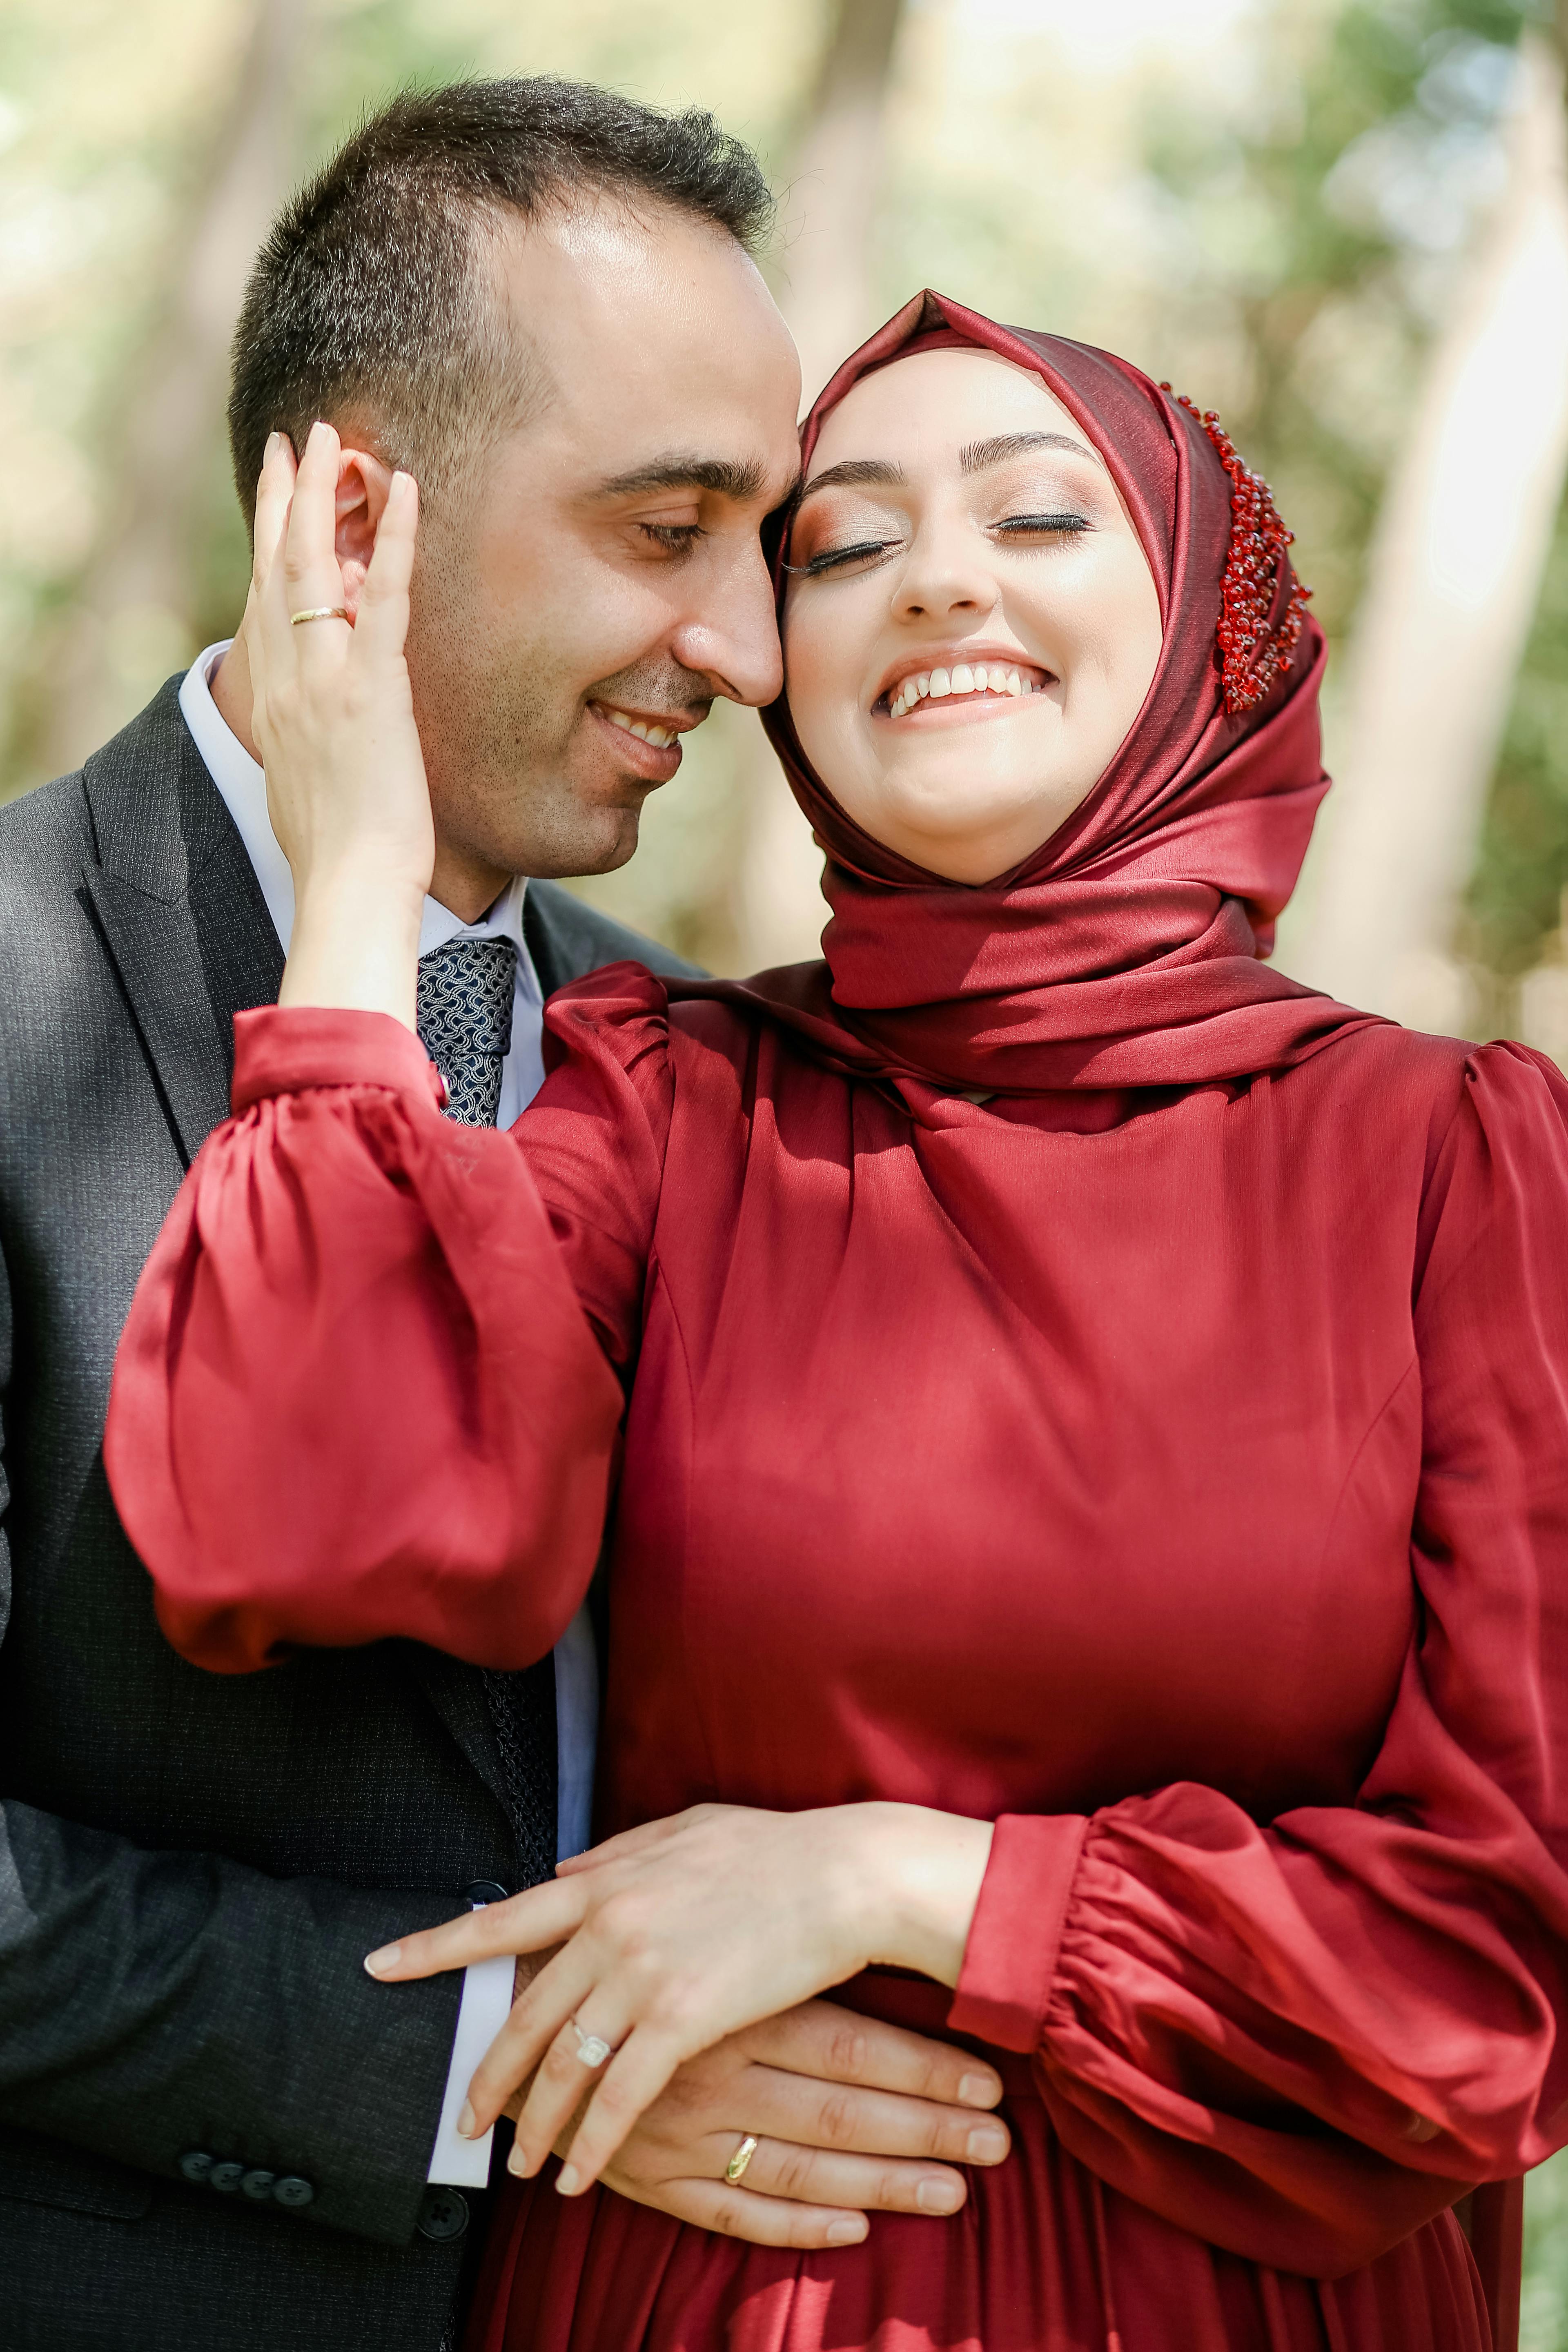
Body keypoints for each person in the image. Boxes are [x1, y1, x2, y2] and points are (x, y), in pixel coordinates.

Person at [106, 285, 1568, 2352]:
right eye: (848, 542)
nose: (936, 579)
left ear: (1201, 624)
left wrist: (900, 1883)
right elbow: (309, 1519)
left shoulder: (1467, 1167)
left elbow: (1506, 1971)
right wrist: (354, 896)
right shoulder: (668, 1099)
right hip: (691, 2292)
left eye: (1034, 516)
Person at [0, 91, 1016, 2352]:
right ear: (355, 520)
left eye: (769, 547)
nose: (748, 648)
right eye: (667, 529)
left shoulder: (700, 1061)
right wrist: (501, 2068)